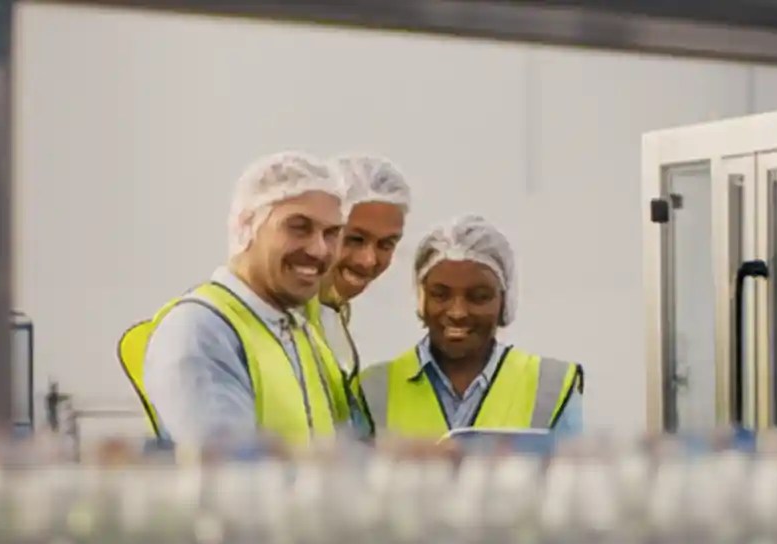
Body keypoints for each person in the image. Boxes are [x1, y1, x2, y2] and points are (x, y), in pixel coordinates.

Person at [117, 151, 351, 448]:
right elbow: (227, 477)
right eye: (299, 227)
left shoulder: (297, 331)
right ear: (246, 227)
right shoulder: (201, 330)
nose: (319, 250)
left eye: (331, 233)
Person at [359, 215, 584, 439]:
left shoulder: (551, 386)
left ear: (505, 302)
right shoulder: (374, 390)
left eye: (479, 297)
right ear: (421, 298)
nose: (457, 312)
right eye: (440, 295)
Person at [306, 155, 412, 382]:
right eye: (355, 239)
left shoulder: (331, 318)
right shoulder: (277, 322)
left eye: (386, 244)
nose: (369, 261)